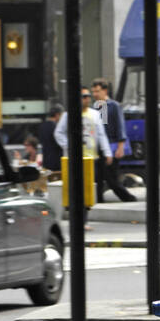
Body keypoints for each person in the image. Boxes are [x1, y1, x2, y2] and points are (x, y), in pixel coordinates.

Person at [54, 88, 112, 226]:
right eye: (83, 96)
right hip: (74, 159)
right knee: (76, 188)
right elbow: (58, 133)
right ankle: (78, 219)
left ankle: (83, 219)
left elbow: (101, 134)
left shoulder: (95, 114)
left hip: (91, 158)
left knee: (88, 189)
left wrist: (107, 151)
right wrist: (68, 145)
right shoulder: (68, 115)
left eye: (87, 96)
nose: (86, 99)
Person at [92, 78, 136, 202]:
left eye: (97, 91)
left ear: (105, 91)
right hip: (98, 147)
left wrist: (121, 147)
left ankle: (129, 198)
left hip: (112, 146)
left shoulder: (114, 106)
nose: (95, 94)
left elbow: (120, 126)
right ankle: (98, 200)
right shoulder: (95, 107)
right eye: (93, 92)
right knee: (97, 177)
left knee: (111, 178)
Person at [39, 103, 64, 175]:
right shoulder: (57, 128)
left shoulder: (42, 126)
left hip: (46, 162)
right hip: (57, 163)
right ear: (57, 115)